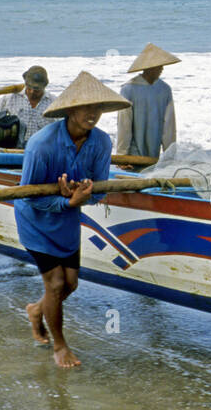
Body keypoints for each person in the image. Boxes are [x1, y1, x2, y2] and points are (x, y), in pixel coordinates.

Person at [15, 71, 131, 368]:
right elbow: (28, 194)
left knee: (71, 284)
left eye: (98, 108)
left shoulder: (101, 143)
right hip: (36, 219)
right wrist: (65, 201)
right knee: (55, 284)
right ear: (69, 110)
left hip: (67, 217)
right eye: (85, 108)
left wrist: (80, 197)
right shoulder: (41, 145)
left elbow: (99, 189)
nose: (92, 114)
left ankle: (36, 310)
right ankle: (60, 346)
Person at [115, 43, 178, 166]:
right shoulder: (128, 89)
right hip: (132, 154)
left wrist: (170, 157)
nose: (162, 69)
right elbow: (124, 125)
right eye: (158, 66)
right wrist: (122, 157)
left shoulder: (165, 89)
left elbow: (169, 127)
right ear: (148, 68)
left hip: (154, 153)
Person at [0, 65, 51, 149]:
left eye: (36, 89)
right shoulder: (8, 100)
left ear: (44, 86)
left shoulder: (53, 103)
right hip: (12, 151)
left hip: (42, 151)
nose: (32, 91)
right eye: (29, 87)